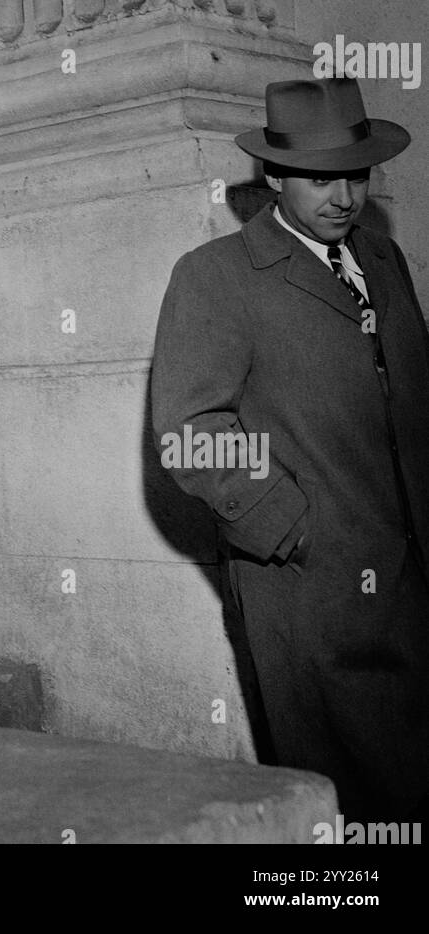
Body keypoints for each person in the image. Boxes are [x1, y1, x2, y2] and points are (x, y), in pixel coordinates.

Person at [152, 77, 429, 820]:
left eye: (356, 174)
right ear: (273, 177)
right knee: (347, 804)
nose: (342, 195)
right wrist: (292, 530)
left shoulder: (384, 259)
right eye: (317, 177)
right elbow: (190, 433)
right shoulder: (214, 276)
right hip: (310, 595)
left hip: (409, 582)